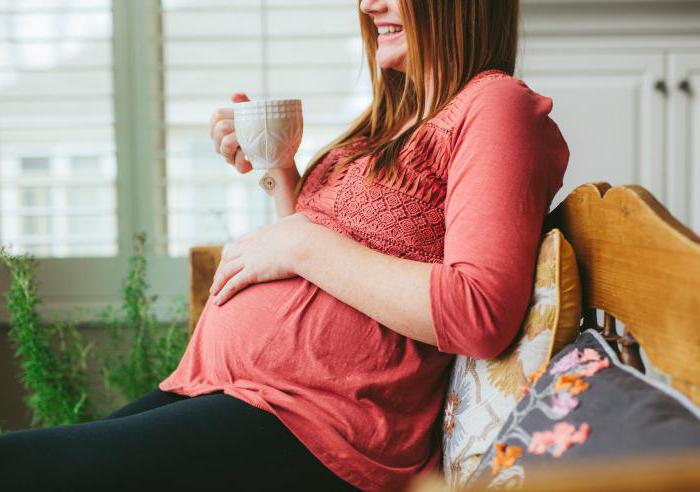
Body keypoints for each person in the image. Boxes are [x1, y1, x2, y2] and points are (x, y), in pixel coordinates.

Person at [0, 1, 570, 491]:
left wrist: (301, 245)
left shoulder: (496, 106)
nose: (370, 6)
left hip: (322, 430)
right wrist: (277, 172)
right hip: (232, 393)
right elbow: (334, 259)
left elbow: (479, 310)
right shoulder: (393, 116)